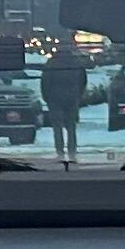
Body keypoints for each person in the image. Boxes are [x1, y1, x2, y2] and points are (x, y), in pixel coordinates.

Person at [39, 32, 88, 163]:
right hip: (72, 98)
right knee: (71, 127)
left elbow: (45, 82)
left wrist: (47, 97)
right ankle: (72, 152)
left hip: (54, 99)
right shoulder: (76, 62)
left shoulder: (52, 62)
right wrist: (78, 95)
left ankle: (60, 152)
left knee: (57, 127)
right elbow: (83, 81)